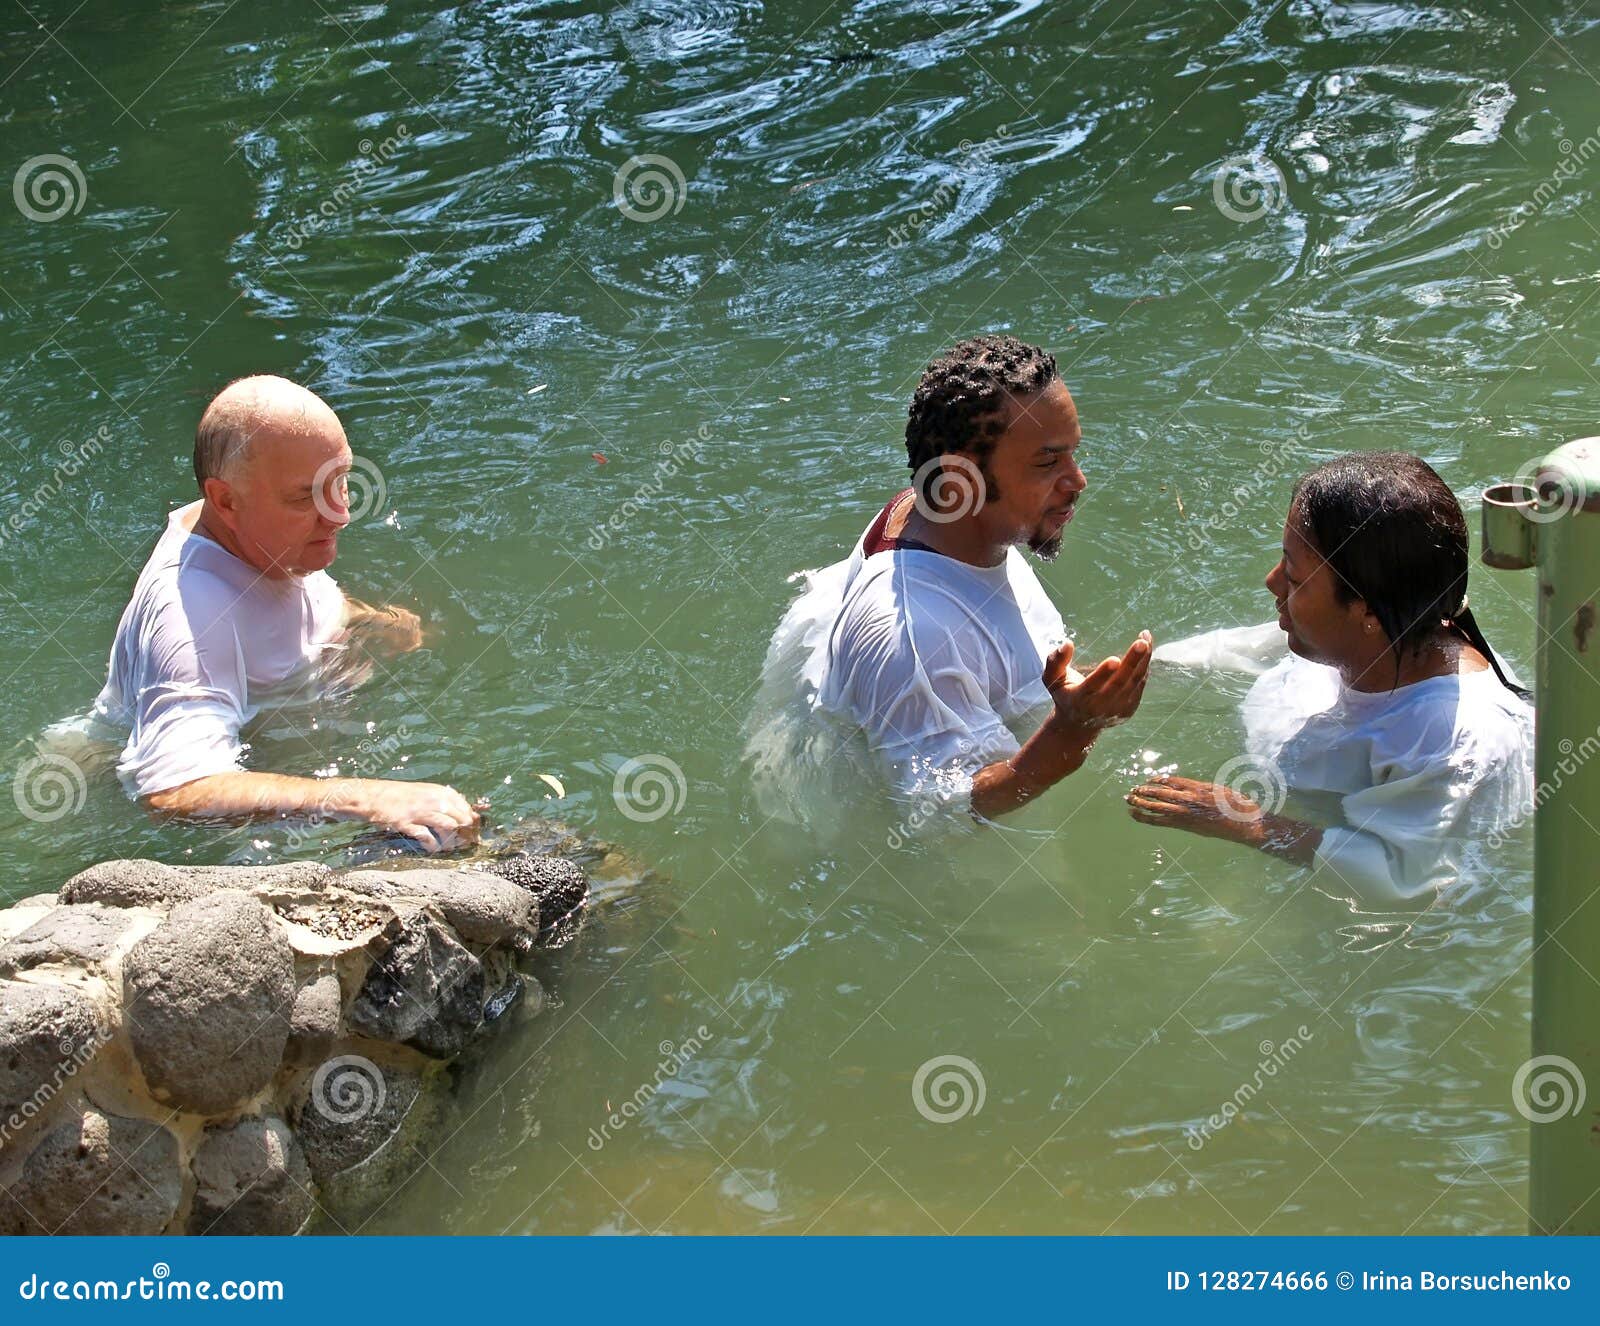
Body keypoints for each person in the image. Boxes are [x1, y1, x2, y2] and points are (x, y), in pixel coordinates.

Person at [749, 333, 1152, 824]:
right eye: (1048, 462)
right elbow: (944, 812)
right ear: (960, 483)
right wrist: (1074, 732)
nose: (1078, 480)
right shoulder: (919, 639)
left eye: (1072, 453)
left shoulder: (944, 521)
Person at [86, 374, 480, 851]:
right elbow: (175, 789)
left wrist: (368, 622)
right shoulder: (191, 617)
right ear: (226, 499)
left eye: (343, 483)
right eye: (305, 497)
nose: (340, 514)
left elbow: (289, 602)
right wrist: (369, 798)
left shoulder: (258, 535)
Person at [1127, 452, 1533, 904]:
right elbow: (1235, 651)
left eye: (1295, 578)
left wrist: (1246, 821)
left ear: (1365, 611)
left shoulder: (1448, 741)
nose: (1272, 582)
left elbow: (1406, 879)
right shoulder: (1379, 629)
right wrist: (1132, 671)